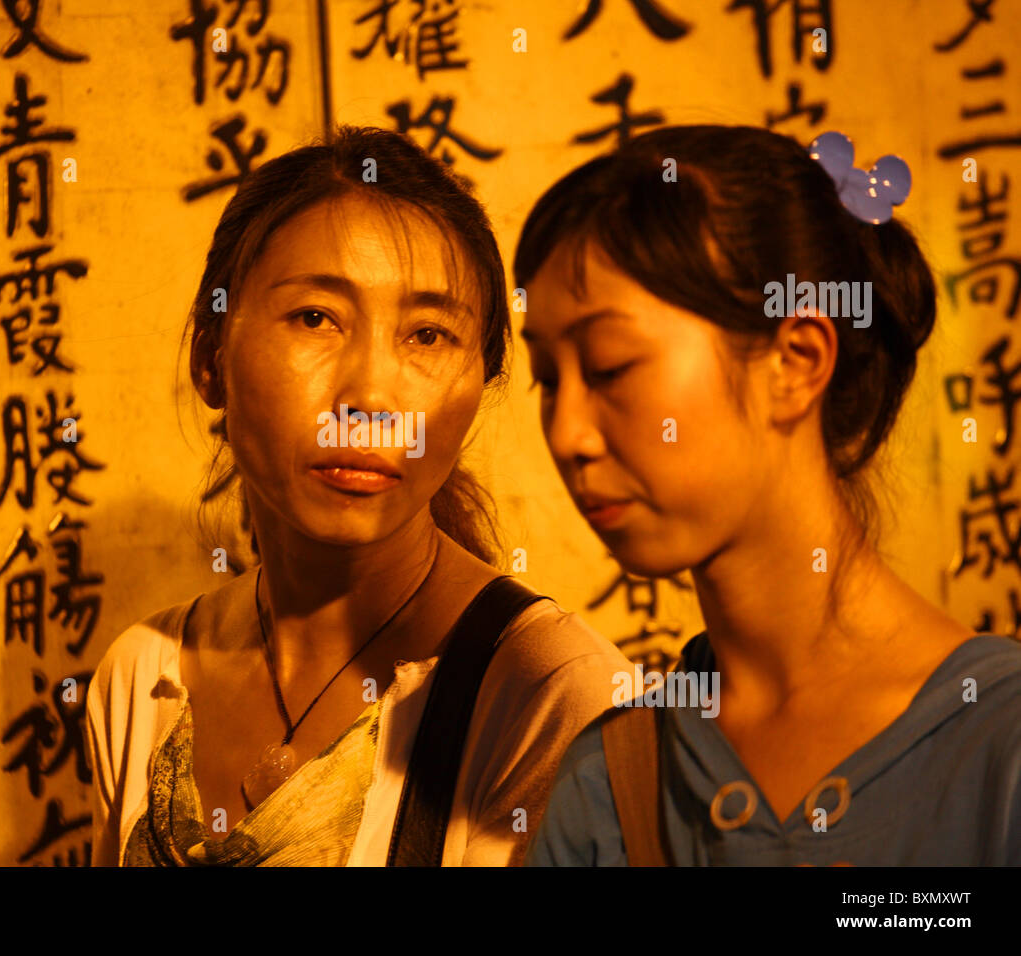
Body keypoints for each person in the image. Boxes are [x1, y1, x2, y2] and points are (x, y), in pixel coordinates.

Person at [85, 125, 631, 867]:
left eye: (428, 335)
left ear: (482, 385)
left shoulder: (553, 697)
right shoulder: (143, 675)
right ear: (211, 359)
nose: (372, 395)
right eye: (315, 318)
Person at [516, 124, 1021, 866]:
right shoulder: (610, 781)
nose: (568, 434)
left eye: (610, 367)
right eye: (547, 380)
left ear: (794, 361)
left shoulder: (997, 742)